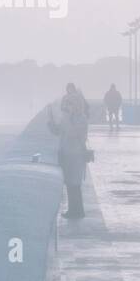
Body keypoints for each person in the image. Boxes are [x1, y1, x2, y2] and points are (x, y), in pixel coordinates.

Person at [50, 84, 89, 220]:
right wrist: (52, 123)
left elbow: (73, 133)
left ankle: (78, 211)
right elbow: (58, 131)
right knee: (69, 183)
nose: (67, 108)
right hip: (67, 153)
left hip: (76, 155)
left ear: (76, 105)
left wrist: (66, 120)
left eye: (70, 105)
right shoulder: (69, 118)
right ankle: (73, 210)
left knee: (75, 184)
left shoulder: (82, 119)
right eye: (67, 105)